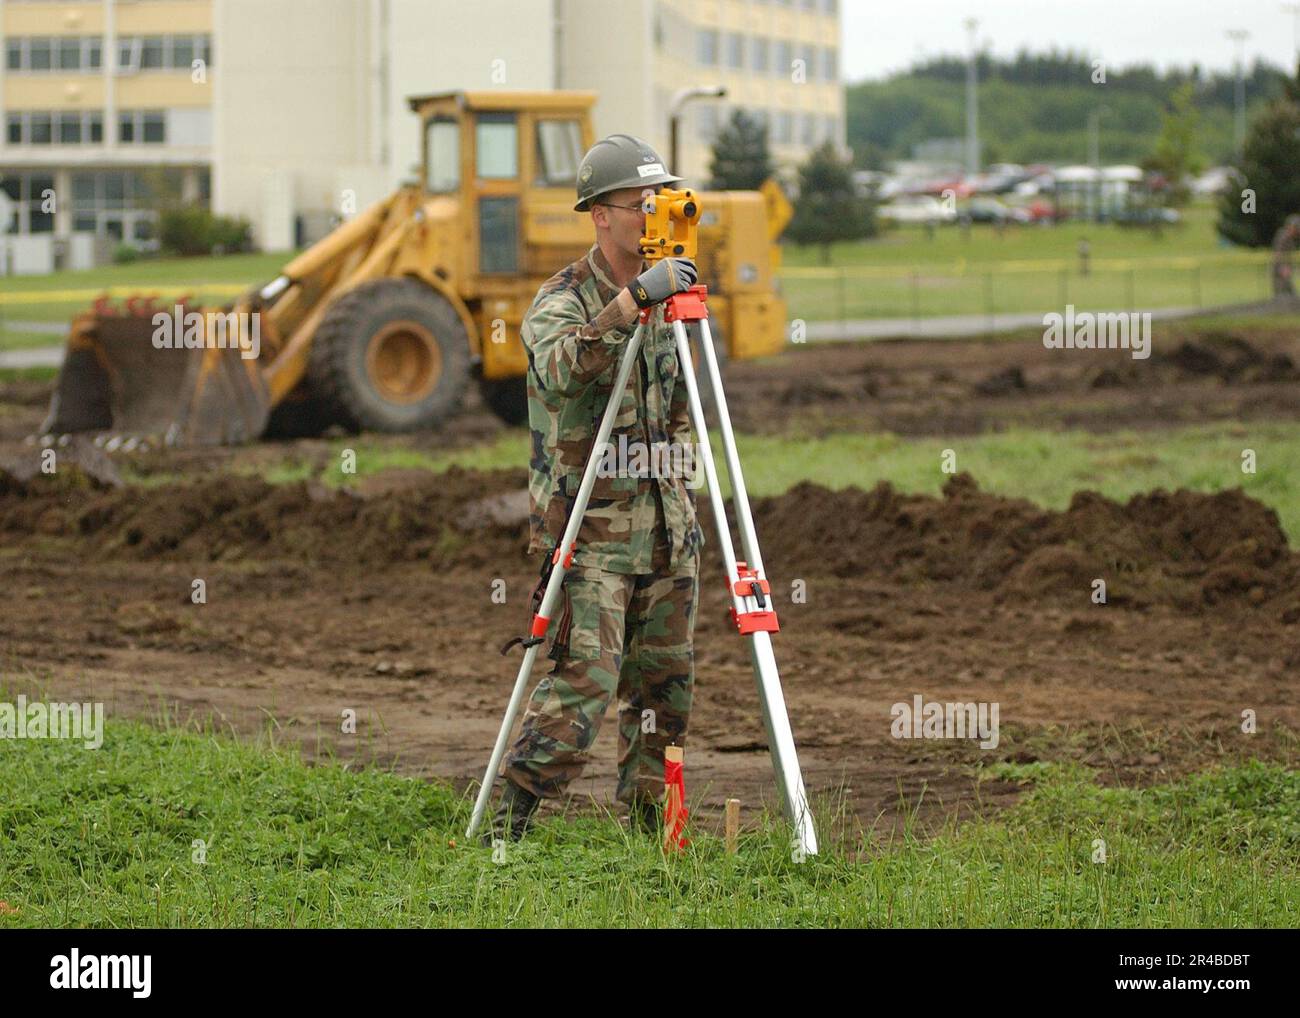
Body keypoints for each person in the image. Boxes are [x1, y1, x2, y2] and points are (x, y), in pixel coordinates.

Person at [483, 134, 704, 843]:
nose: (652, 215)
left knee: (664, 688)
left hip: (668, 527)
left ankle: (652, 825)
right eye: (639, 204)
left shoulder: (673, 298)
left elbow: (682, 410)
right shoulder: (562, 299)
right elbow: (558, 371)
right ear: (598, 216)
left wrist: (688, 500)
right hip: (593, 531)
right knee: (586, 682)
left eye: (659, 201)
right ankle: (506, 822)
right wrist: (629, 305)